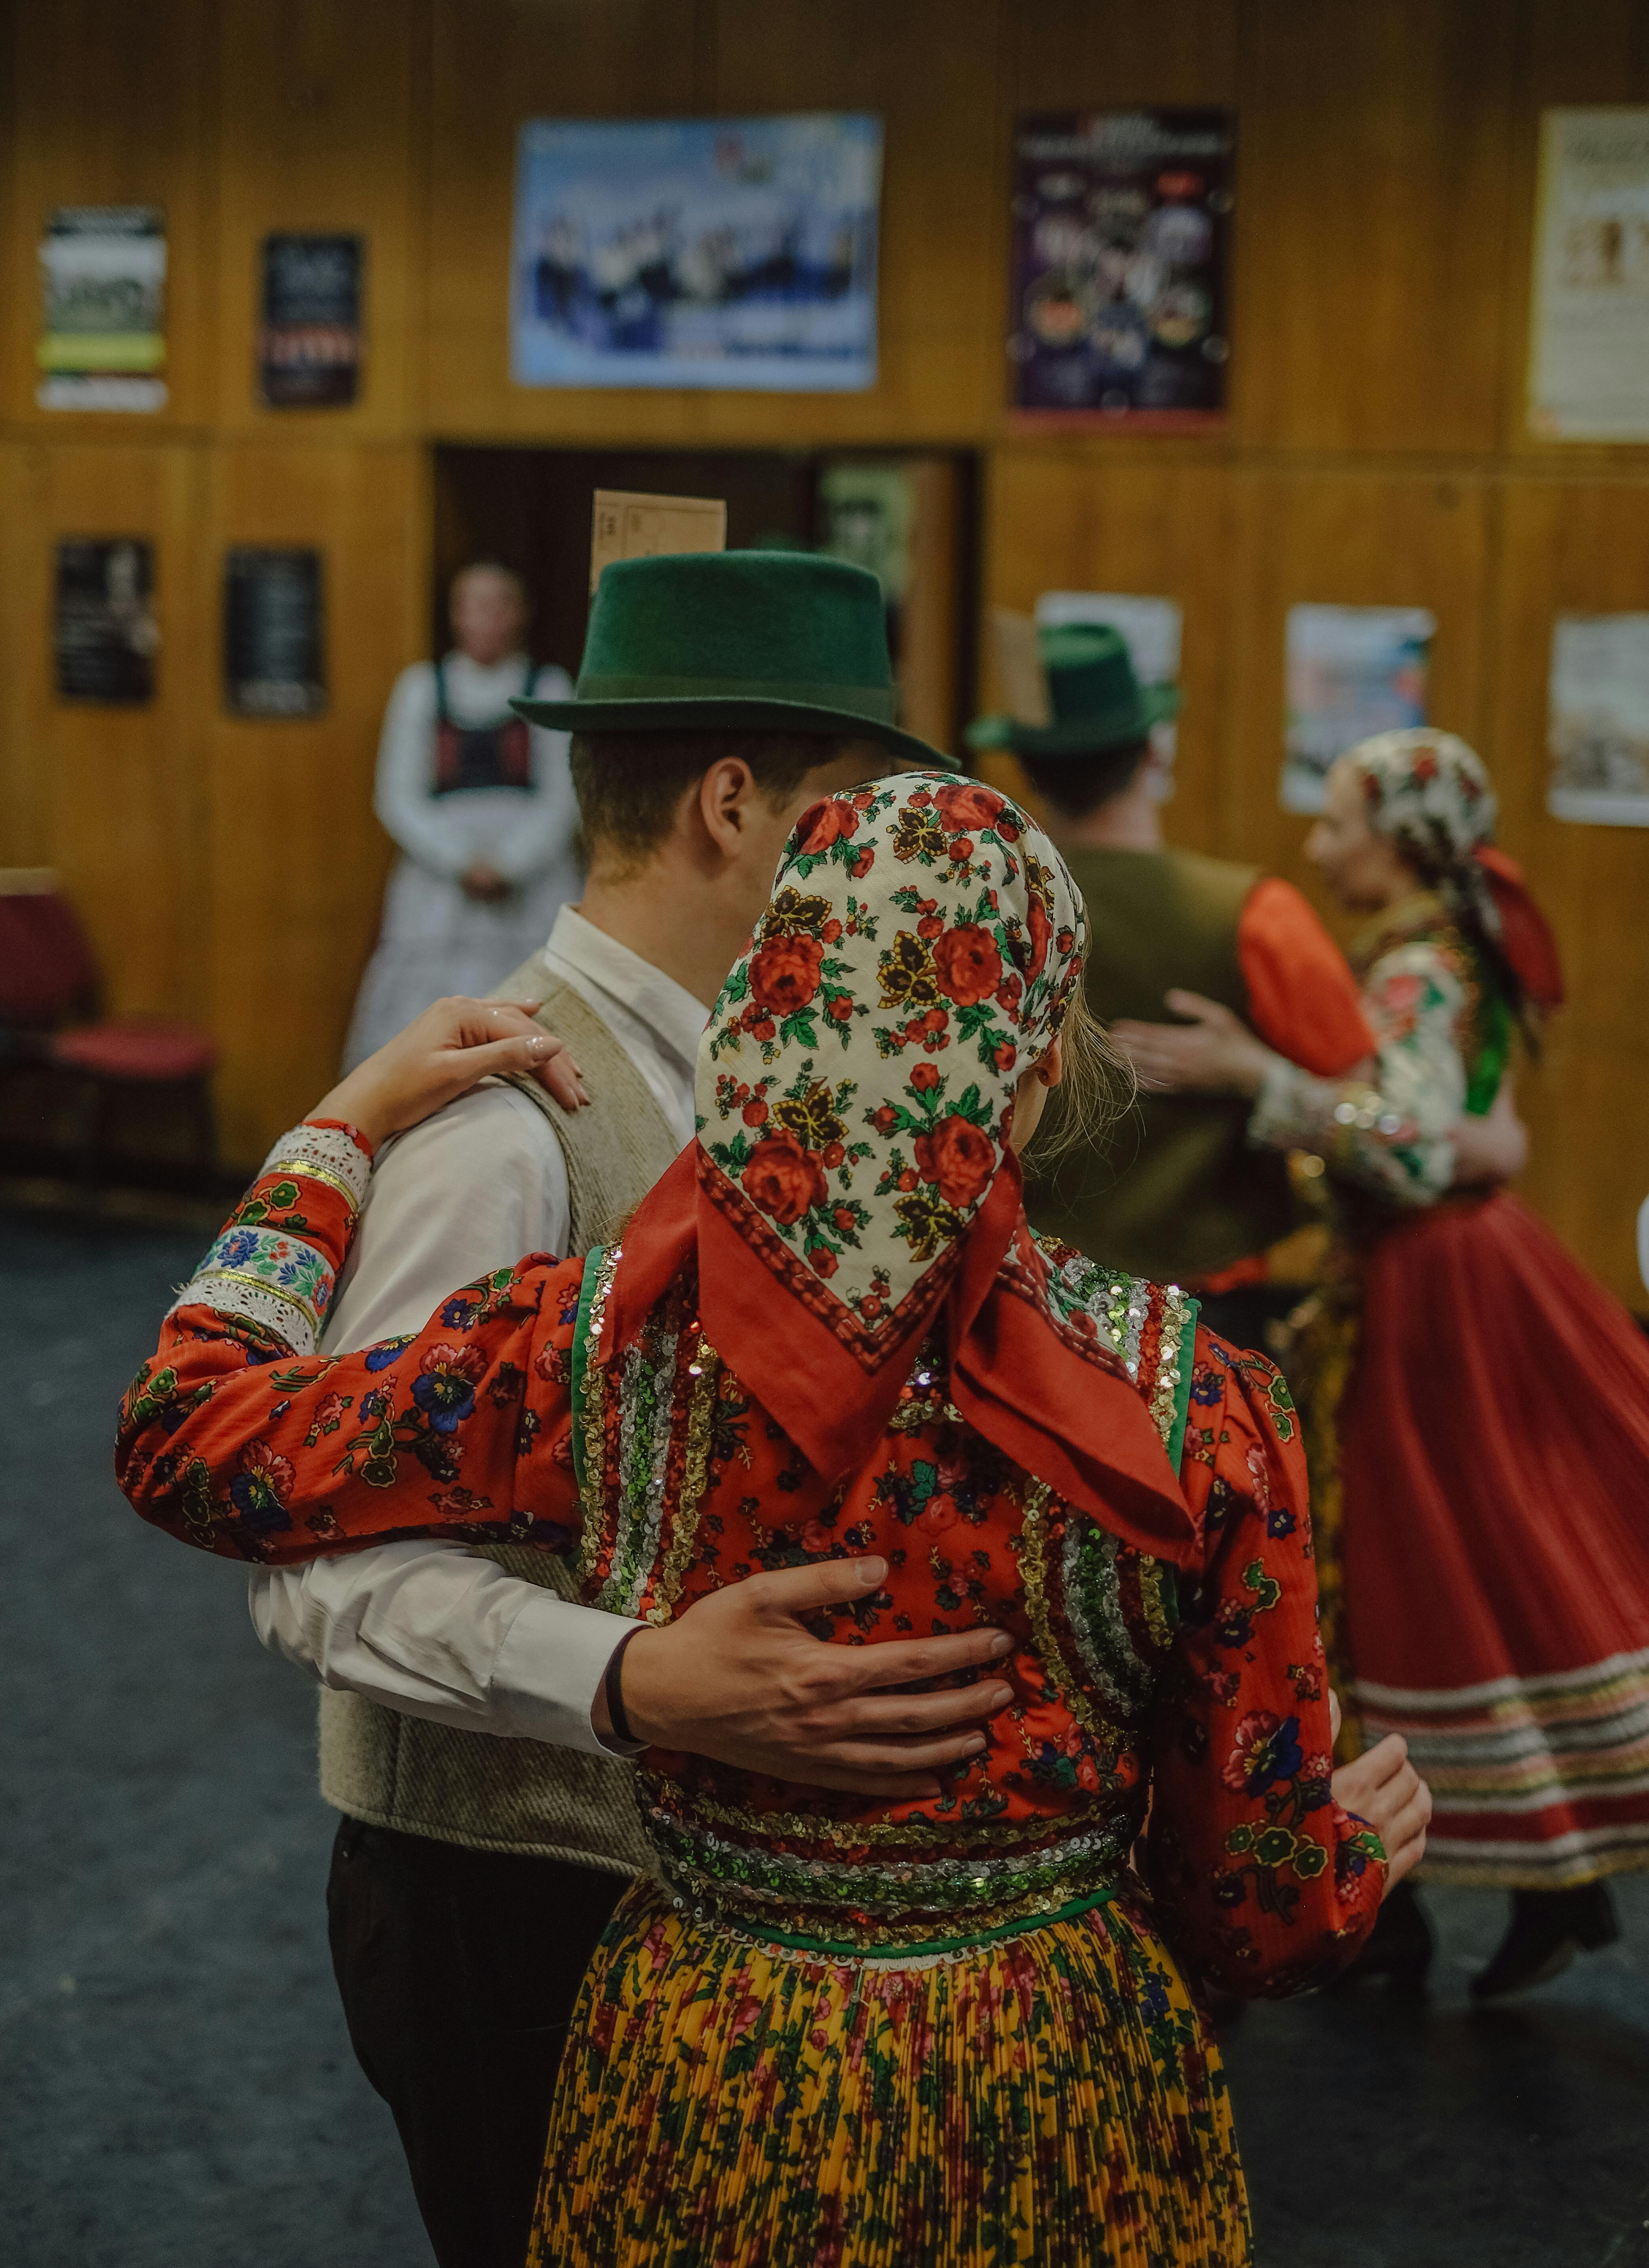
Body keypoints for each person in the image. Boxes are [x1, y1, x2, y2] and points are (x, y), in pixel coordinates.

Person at [119, 772, 1430, 2268]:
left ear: (764, 1024)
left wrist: (336, 1129)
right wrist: (1343, 1864)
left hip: (704, 2059)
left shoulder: (589, 1356)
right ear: (1032, 1079)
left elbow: (187, 1438)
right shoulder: (1198, 1409)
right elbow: (1256, 1921)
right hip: (1048, 2080)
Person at [252, 550, 1011, 2268]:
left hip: (679, 1887)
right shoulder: (498, 1114)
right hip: (499, 1901)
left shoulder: (763, 1064)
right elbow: (311, 1567)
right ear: (735, 809)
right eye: (858, 814)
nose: (886, 866)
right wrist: (632, 1675)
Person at [1110, 727, 1649, 2001]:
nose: (1318, 843)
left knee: (1416, 1565)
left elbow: (1408, 1149)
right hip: (1440, 1276)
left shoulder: (1416, 963)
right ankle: (1535, 1877)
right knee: (1473, 1558)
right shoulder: (1438, 947)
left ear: (1399, 841)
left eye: (1340, 821)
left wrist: (1259, 1078)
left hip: (1432, 1289)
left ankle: (1438, 1888)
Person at [968, 624, 1374, 1348]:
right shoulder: (1255, 915)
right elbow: (1365, 1104)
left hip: (1017, 1303)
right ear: (1152, 752)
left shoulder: (984, 912)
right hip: (1203, 1320)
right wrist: (1256, 1075)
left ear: (1029, 773)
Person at [343, 563, 581, 1068]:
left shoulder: (549, 686)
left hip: (529, 889)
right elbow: (398, 797)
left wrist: (510, 865)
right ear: (455, 616)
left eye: (499, 605)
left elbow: (566, 794)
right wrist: (461, 863)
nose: (486, 619)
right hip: (440, 888)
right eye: (473, 605)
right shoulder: (422, 688)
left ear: (520, 615)